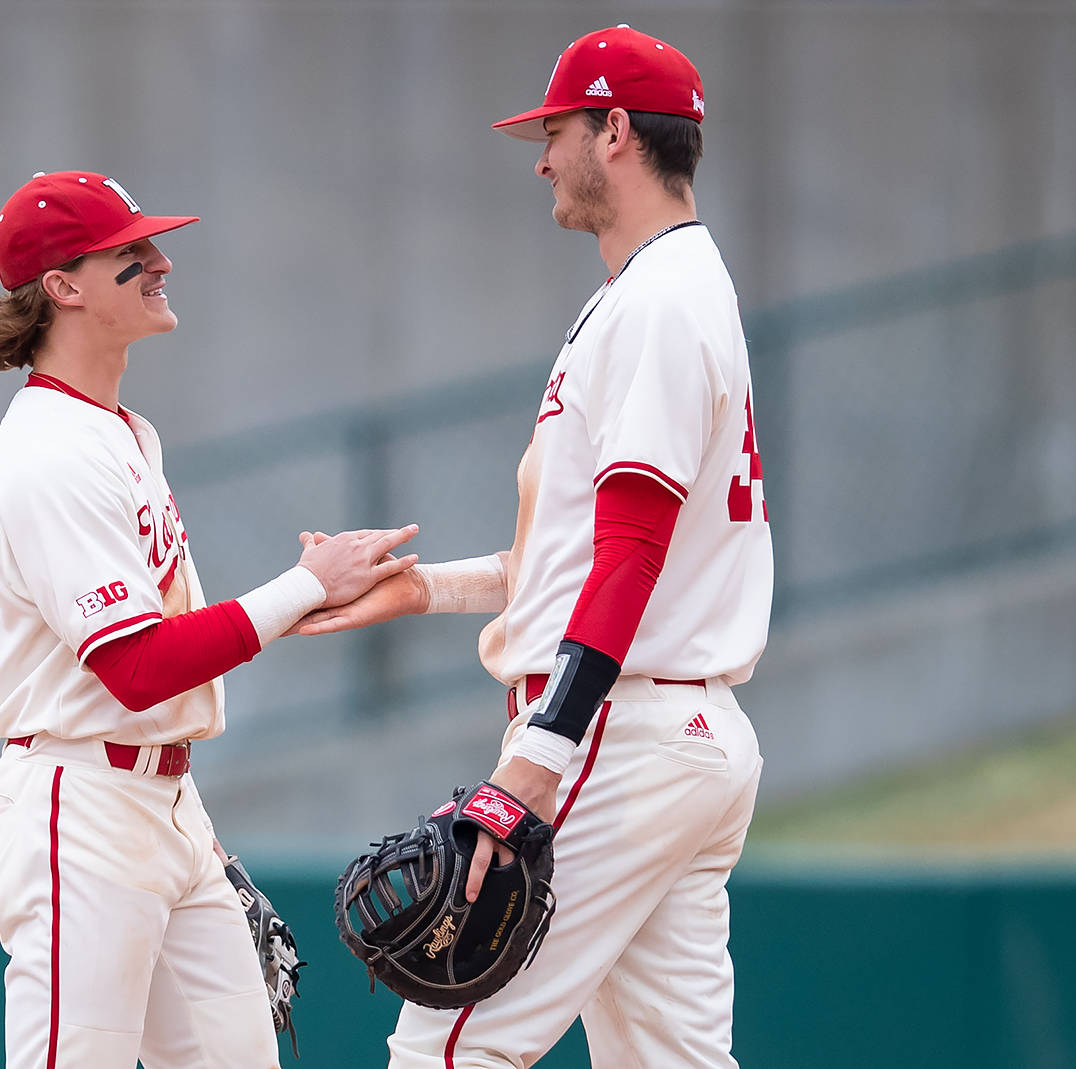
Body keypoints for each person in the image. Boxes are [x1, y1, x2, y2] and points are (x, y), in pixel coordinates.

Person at [298, 26, 772, 1068]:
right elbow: (578, 558)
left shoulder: (653, 303)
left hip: (616, 727)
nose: (539, 158)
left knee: (445, 1050)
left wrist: (533, 764)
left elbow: (631, 557)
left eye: (553, 130)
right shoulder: (666, 290)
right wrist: (423, 588)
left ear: (613, 130)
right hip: (674, 728)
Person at [0, 169, 419, 1069]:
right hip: (77, 800)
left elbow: (156, 663)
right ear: (63, 287)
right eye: (131, 252)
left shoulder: (122, 432)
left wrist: (185, 815)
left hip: (159, 795)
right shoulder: (48, 451)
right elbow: (134, 665)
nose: (160, 260)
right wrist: (301, 586)